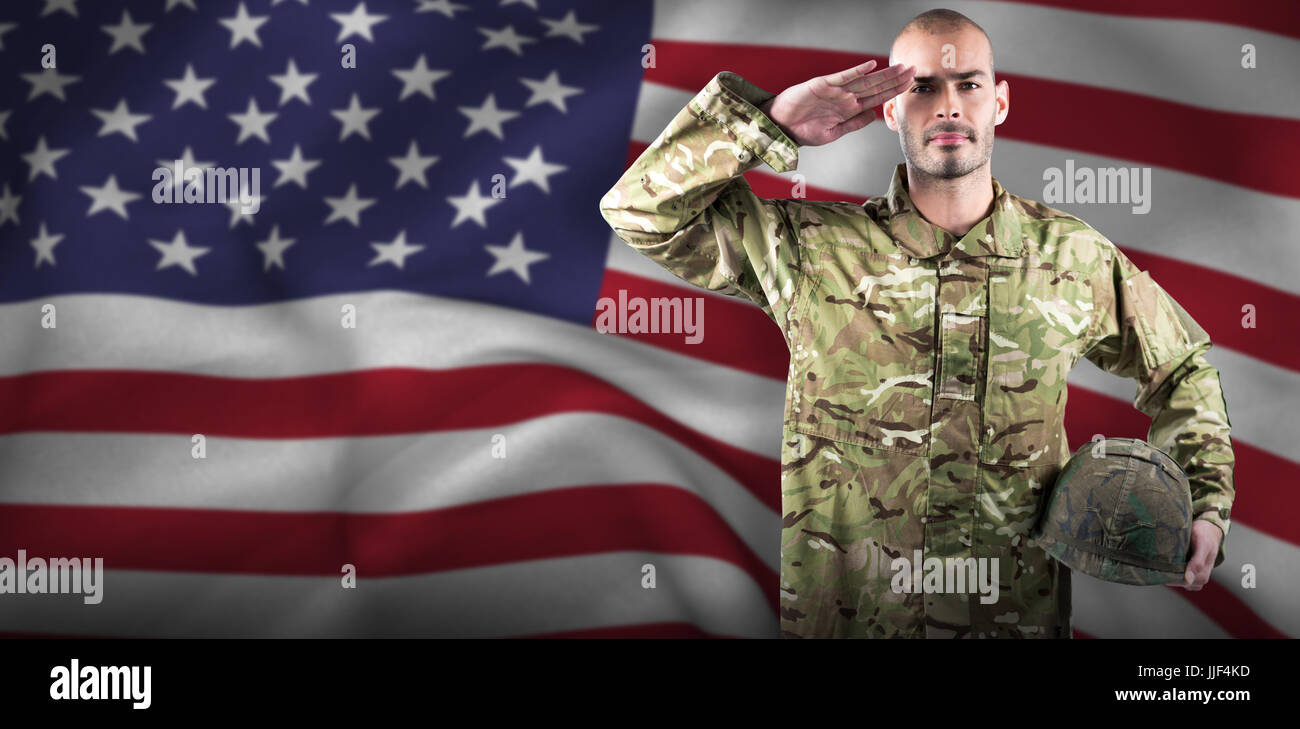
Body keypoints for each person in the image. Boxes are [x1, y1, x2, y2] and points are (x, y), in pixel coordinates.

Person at [598, 8, 1235, 638]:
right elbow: (639, 211)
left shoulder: (1070, 257)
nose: (949, 106)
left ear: (1000, 103)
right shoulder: (812, 249)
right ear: (890, 110)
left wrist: (1204, 503)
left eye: (969, 84)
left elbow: (1182, 369)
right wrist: (767, 124)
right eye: (922, 87)